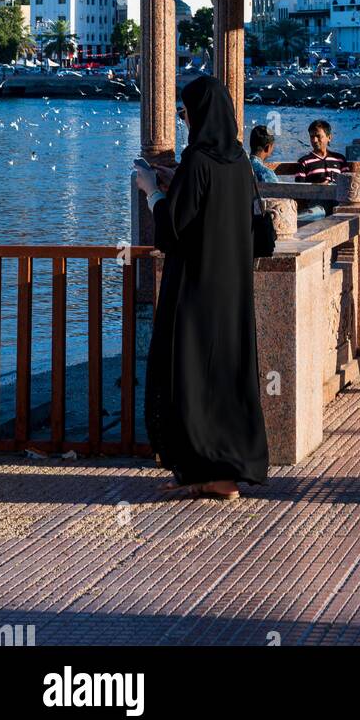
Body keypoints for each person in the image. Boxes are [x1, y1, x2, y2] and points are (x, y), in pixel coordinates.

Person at [133, 76, 268, 501]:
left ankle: (195, 468)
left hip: (193, 288)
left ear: (199, 116)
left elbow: (173, 228)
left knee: (187, 374)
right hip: (232, 293)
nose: (183, 118)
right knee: (226, 375)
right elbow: (257, 233)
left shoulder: (198, 161)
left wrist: (152, 190)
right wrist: (177, 183)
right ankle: (220, 474)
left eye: (185, 112)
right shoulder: (240, 163)